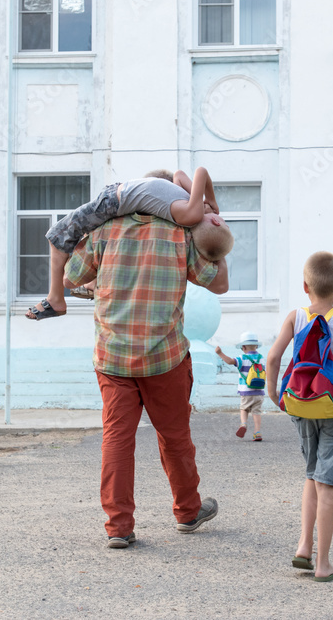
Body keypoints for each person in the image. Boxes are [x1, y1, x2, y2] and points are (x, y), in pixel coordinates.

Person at [62, 203, 231, 548]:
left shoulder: (103, 232)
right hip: (164, 359)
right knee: (174, 436)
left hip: (113, 358)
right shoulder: (180, 235)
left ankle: (119, 527)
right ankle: (187, 512)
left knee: (117, 438)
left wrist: (103, 282)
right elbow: (220, 284)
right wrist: (217, 235)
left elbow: (69, 278)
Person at [266, 251, 333, 582]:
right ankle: (323, 563)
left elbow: (272, 358)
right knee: (327, 481)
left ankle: (303, 547)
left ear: (304, 286)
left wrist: (274, 394)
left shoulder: (296, 316)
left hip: (300, 404)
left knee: (311, 475)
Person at [27, 166, 227, 320]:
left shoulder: (190, 208)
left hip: (114, 198)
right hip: (116, 198)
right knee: (68, 234)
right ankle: (85, 286)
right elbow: (221, 286)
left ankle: (56, 298)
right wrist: (209, 206)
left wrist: (210, 200)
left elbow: (69, 280)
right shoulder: (185, 231)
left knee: (58, 235)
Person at [215, 332, 266, 441]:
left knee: (244, 408)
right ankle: (257, 432)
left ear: (243, 347)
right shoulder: (261, 358)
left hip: (246, 391)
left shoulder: (242, 358)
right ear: (256, 346)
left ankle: (243, 424)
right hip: (259, 391)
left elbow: (229, 361)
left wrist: (220, 353)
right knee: (256, 412)